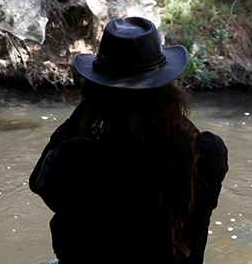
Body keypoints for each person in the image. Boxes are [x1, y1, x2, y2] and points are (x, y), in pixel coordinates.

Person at [29, 16, 228, 264]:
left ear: (97, 94)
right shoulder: (205, 156)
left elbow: (39, 178)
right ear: (167, 91)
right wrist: (162, 102)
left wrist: (90, 104)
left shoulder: (77, 161)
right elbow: (183, 133)